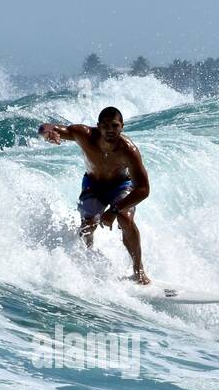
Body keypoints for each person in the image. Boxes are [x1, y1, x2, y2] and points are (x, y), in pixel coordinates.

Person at [38, 106, 151, 284]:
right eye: (105, 125)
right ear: (98, 126)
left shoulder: (129, 151)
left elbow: (143, 189)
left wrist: (114, 210)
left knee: (125, 218)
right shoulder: (84, 134)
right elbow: (48, 127)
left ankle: (138, 270)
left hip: (120, 186)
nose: (110, 130)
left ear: (122, 126)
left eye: (114, 125)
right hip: (93, 186)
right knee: (88, 224)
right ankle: (86, 260)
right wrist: (46, 133)